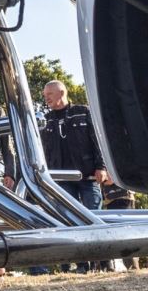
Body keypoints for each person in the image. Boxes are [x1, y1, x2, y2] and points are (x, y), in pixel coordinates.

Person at [40, 79, 108, 272]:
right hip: (62, 179)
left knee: (94, 216)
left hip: (87, 176)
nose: (46, 99)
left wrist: (101, 166)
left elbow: (98, 141)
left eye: (49, 95)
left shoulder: (83, 112)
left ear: (61, 93)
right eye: (45, 97)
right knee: (67, 220)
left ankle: (103, 262)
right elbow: (43, 150)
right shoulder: (46, 119)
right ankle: (79, 264)